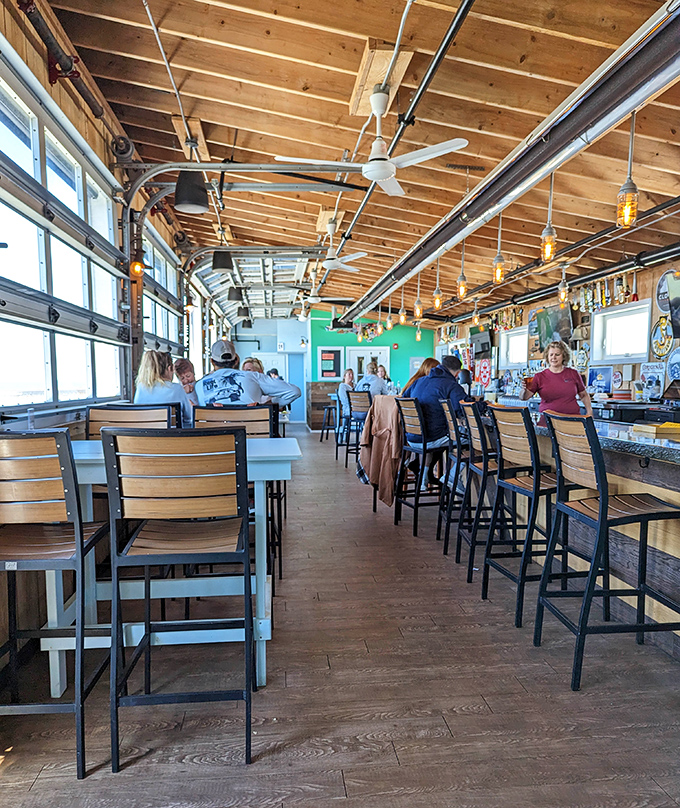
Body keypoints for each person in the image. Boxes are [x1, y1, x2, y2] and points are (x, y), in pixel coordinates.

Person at [405, 355, 469, 489]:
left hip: (411, 438)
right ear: (458, 373)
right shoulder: (451, 385)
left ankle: (429, 476)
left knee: (453, 435)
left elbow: (405, 398)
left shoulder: (419, 381)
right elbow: (464, 410)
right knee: (473, 438)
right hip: (431, 438)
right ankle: (452, 476)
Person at [195, 339, 301, 407]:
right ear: (236, 360)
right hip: (253, 438)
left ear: (212, 361)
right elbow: (294, 391)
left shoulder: (199, 386)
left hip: (214, 439)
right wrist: (267, 406)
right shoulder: (253, 376)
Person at [520, 340, 592, 421]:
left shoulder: (573, 373)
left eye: (557, 354)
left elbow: (584, 395)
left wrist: (589, 412)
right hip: (547, 421)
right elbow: (524, 397)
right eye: (551, 355)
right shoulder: (539, 376)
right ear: (547, 356)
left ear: (564, 356)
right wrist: (523, 389)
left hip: (572, 420)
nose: (553, 357)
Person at [134, 350, 193, 426]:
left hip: (144, 436)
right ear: (169, 368)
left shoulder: (140, 388)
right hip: (171, 437)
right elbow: (188, 418)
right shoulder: (177, 389)